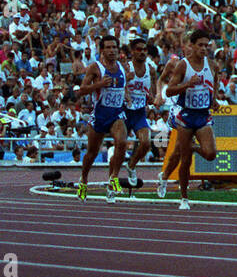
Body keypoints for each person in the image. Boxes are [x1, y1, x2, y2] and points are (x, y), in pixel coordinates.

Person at [164, 27, 218, 211]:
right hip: (186, 115)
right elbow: (169, 90)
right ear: (192, 46)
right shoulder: (183, 65)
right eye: (200, 45)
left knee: (210, 154)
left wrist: (214, 100)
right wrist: (187, 84)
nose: (204, 48)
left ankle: (194, 146)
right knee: (185, 159)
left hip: (203, 115)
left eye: (206, 45)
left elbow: (213, 84)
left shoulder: (212, 65)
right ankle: (184, 197)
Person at [75, 35, 129, 202]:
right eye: (108, 48)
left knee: (121, 142)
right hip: (99, 115)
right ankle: (83, 179)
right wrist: (98, 85)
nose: (112, 50)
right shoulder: (95, 67)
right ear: (102, 50)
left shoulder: (122, 66)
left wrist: (127, 96)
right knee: (92, 153)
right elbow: (81, 90)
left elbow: (123, 86)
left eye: (114, 47)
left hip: (116, 114)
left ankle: (113, 177)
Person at [122, 37, 162, 186]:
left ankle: (131, 166)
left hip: (139, 112)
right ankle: (112, 178)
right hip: (124, 112)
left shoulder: (151, 70)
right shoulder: (126, 67)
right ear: (132, 52)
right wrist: (126, 79)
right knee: (120, 146)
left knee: (146, 143)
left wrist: (155, 98)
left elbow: (151, 93)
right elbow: (117, 86)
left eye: (145, 50)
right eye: (139, 49)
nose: (142, 52)